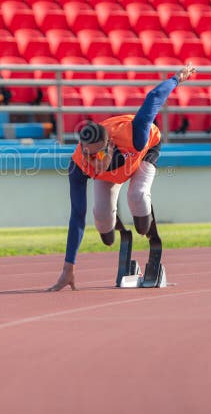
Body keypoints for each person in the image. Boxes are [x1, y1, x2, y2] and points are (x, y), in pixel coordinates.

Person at [47, 63, 197, 291]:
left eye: (97, 154)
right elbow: (77, 215)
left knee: (137, 197)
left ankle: (149, 236)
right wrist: (69, 267)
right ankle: (118, 234)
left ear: (109, 146)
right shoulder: (80, 164)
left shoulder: (135, 134)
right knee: (102, 220)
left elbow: (154, 97)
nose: (92, 162)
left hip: (144, 152)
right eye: (87, 155)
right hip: (115, 171)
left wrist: (177, 78)